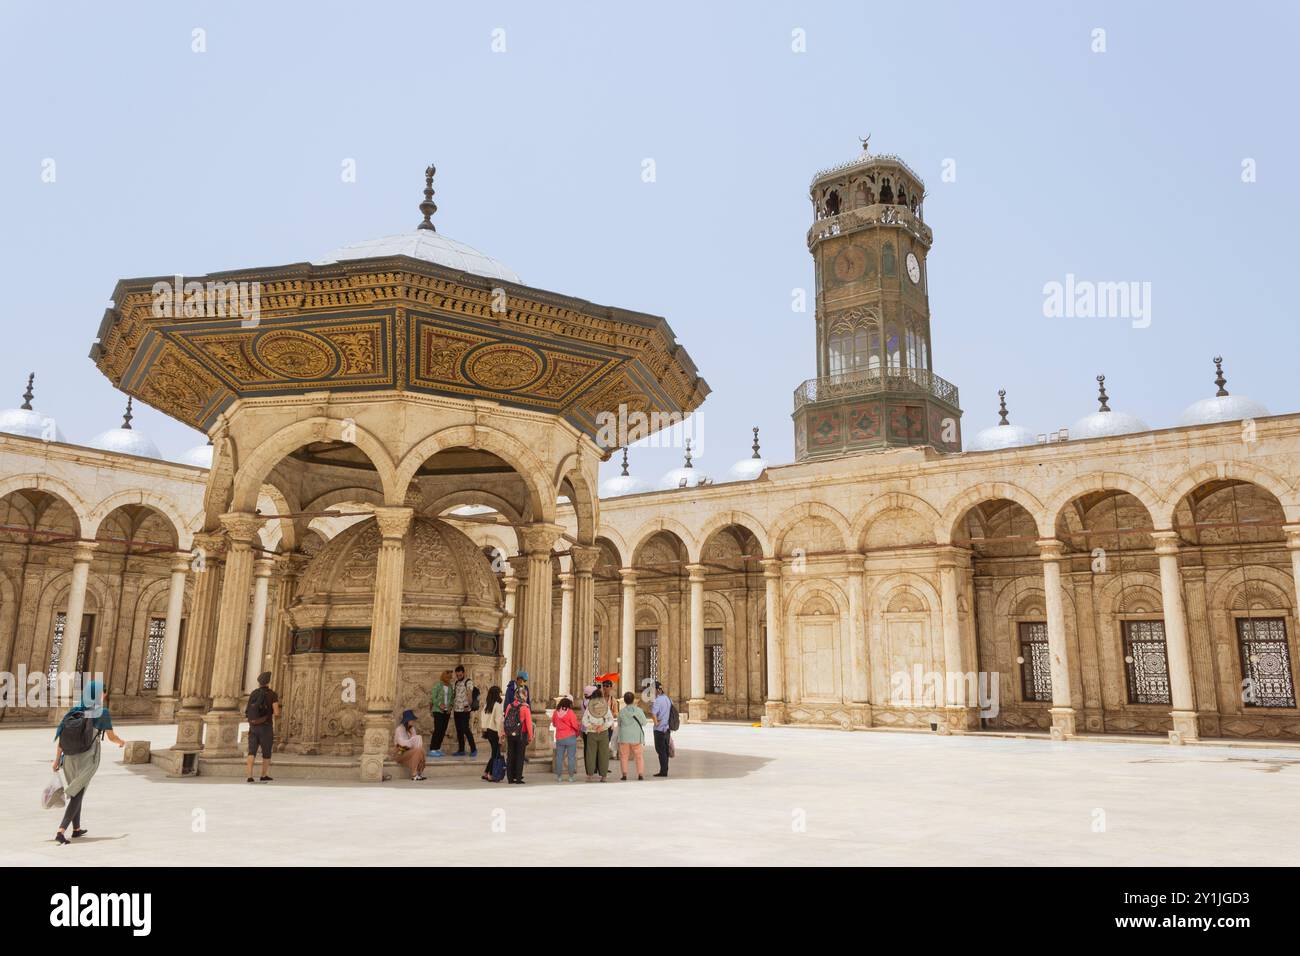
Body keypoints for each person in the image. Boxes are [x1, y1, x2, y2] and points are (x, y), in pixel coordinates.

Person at [52, 680, 125, 844]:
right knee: (77, 793)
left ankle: (76, 829)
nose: (104, 696)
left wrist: (57, 760)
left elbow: (61, 739)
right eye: (103, 693)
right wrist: (121, 742)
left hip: (69, 758)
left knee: (78, 790)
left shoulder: (74, 711)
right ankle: (61, 830)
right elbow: (111, 736)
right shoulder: (101, 712)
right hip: (87, 758)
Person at [244, 670, 280, 783]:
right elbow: (277, 712)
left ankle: (249, 776)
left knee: (251, 751)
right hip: (266, 726)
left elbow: (248, 710)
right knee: (266, 752)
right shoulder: (272, 694)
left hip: (253, 726)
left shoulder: (253, 693)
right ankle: (263, 775)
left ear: (259, 682)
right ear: (268, 682)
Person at [581, 686, 616, 781]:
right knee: (603, 754)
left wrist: (591, 726)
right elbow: (610, 720)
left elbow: (584, 720)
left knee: (590, 754)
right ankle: (603, 776)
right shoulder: (605, 707)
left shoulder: (589, 707)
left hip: (592, 733)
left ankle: (590, 775)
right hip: (603, 732)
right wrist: (602, 726)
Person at [503, 685, 533, 784]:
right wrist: (530, 736)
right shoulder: (525, 708)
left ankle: (510, 778)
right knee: (520, 756)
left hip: (510, 734)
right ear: (524, 696)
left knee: (510, 755)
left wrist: (504, 732)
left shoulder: (509, 706)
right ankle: (518, 778)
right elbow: (528, 723)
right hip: (521, 734)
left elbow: (506, 719)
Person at [617, 691, 648, 781]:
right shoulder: (639, 711)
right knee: (639, 756)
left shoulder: (622, 712)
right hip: (636, 736)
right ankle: (640, 774)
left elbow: (619, 723)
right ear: (633, 700)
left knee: (624, 756)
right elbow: (644, 723)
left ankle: (624, 774)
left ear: (625, 701)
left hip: (624, 737)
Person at [550, 697, 581, 782]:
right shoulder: (570, 713)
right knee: (571, 757)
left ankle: (559, 777)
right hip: (570, 737)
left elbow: (554, 724)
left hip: (559, 737)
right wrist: (577, 731)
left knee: (559, 757)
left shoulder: (556, 712)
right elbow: (575, 725)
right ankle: (571, 777)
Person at [451, 664, 477, 757]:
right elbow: (454, 695)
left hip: (465, 710)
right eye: (457, 675)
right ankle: (461, 749)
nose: (459, 677)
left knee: (466, 729)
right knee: (459, 730)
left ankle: (473, 749)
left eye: (460, 675)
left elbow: (469, 694)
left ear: (464, 673)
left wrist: (468, 705)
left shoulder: (468, 682)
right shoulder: (455, 683)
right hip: (456, 709)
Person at [480, 685, 504, 782]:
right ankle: (490, 774)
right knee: (496, 753)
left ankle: (486, 772)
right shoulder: (497, 705)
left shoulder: (487, 705)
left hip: (488, 731)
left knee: (494, 753)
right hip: (495, 731)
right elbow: (498, 721)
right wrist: (500, 735)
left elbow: (483, 718)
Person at [394, 710, 427, 780]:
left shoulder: (412, 729)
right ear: (407, 720)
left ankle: (418, 773)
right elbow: (401, 743)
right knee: (417, 750)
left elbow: (414, 743)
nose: (413, 721)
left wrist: (414, 741)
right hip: (400, 752)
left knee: (420, 750)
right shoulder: (399, 729)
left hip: (409, 751)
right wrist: (412, 741)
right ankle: (414, 774)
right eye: (411, 719)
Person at [429, 670, 453, 757]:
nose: (449, 679)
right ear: (443, 676)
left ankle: (438, 748)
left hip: (447, 711)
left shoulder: (450, 686)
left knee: (443, 730)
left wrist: (450, 706)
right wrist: (440, 704)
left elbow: (451, 698)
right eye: (447, 677)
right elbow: (433, 697)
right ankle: (432, 749)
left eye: (450, 677)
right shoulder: (438, 685)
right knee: (438, 730)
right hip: (438, 710)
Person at [652, 681, 673, 777]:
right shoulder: (668, 699)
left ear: (657, 690)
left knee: (660, 750)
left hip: (659, 730)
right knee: (665, 750)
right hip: (667, 728)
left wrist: (656, 723)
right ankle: (665, 769)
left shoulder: (657, 700)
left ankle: (663, 771)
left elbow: (653, 713)